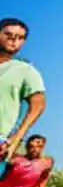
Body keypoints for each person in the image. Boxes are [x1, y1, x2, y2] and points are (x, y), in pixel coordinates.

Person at [0, 19, 46, 166]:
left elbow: (38, 105)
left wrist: (15, 138)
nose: (14, 40)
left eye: (20, 38)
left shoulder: (25, 70)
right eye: (8, 35)